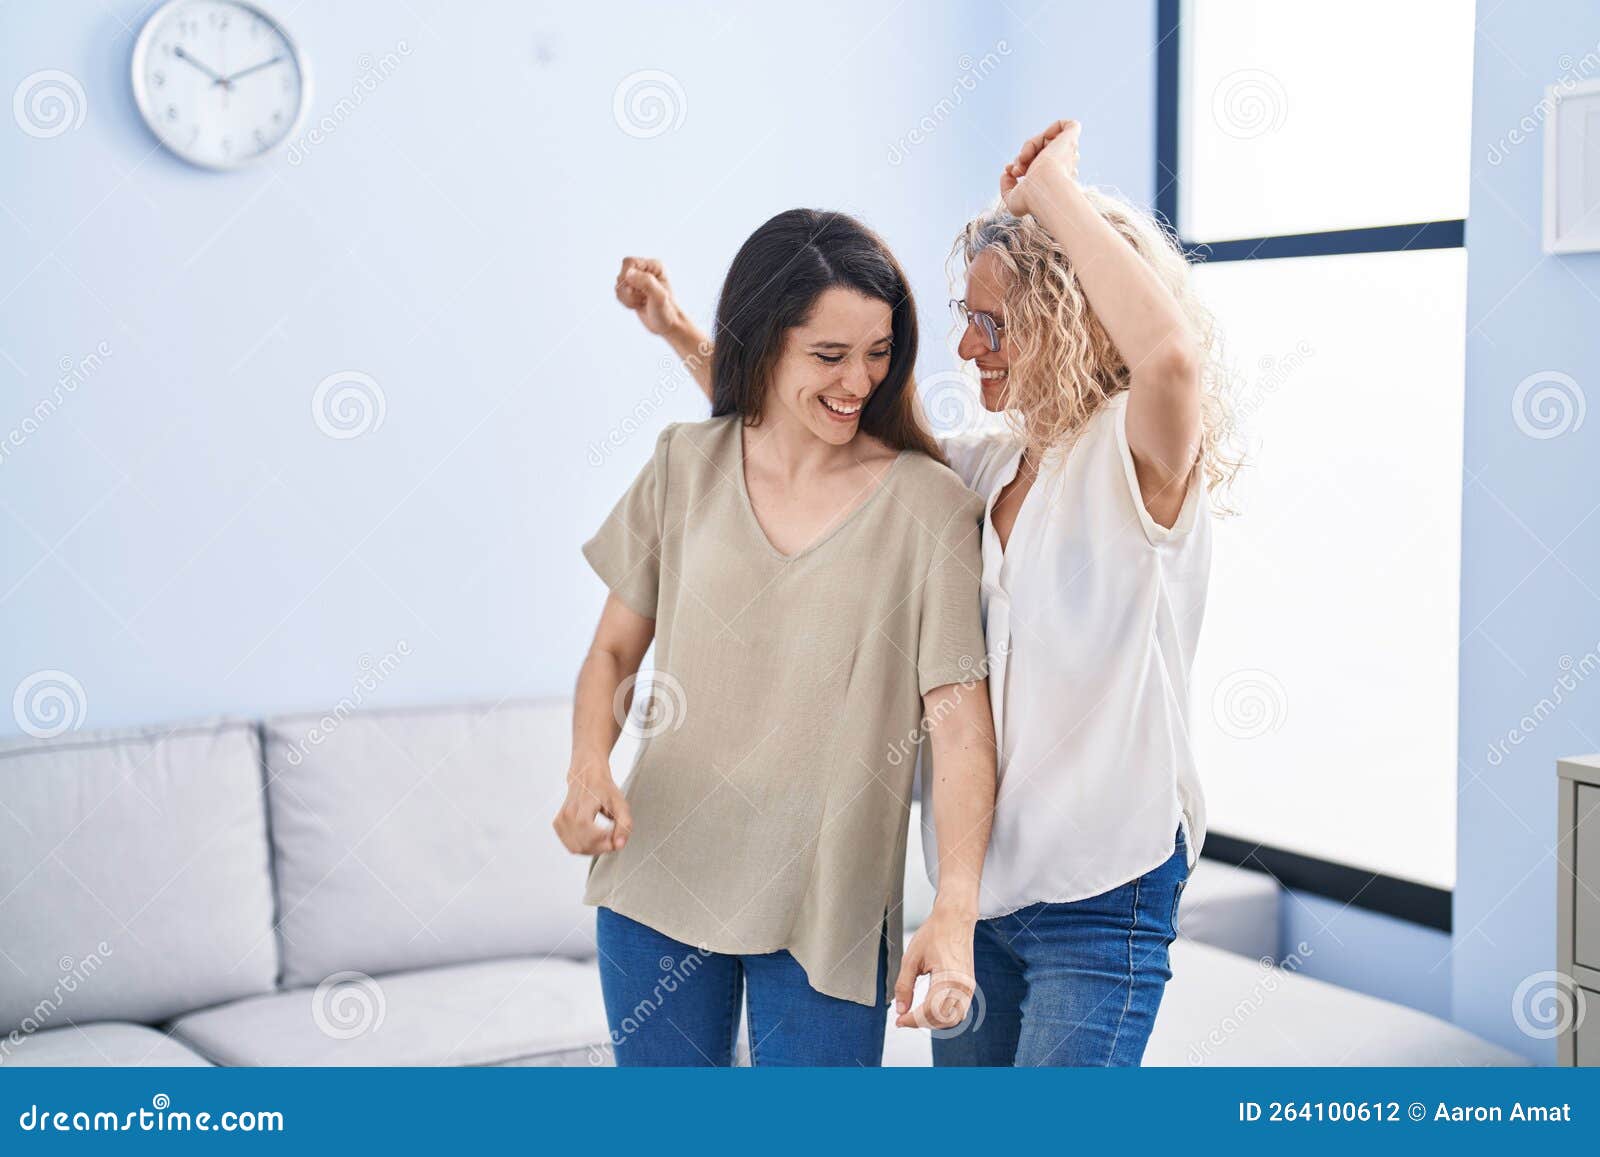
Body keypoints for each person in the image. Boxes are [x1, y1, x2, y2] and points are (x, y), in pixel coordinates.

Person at [613, 119, 1239, 1066]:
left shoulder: (1133, 462)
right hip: (981, 902)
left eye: (995, 323)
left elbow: (1169, 358)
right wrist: (680, 335)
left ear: (1068, 319)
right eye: (964, 314)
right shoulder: (981, 472)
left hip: (1102, 900)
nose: (966, 343)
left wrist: (1049, 191)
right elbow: (809, 424)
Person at [556, 208, 999, 1067]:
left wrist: (956, 905)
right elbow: (611, 652)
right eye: (829, 355)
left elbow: (959, 728)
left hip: (828, 902)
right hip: (660, 869)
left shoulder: (930, 508)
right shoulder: (685, 464)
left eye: (879, 351)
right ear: (765, 343)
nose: (859, 380)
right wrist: (587, 768)